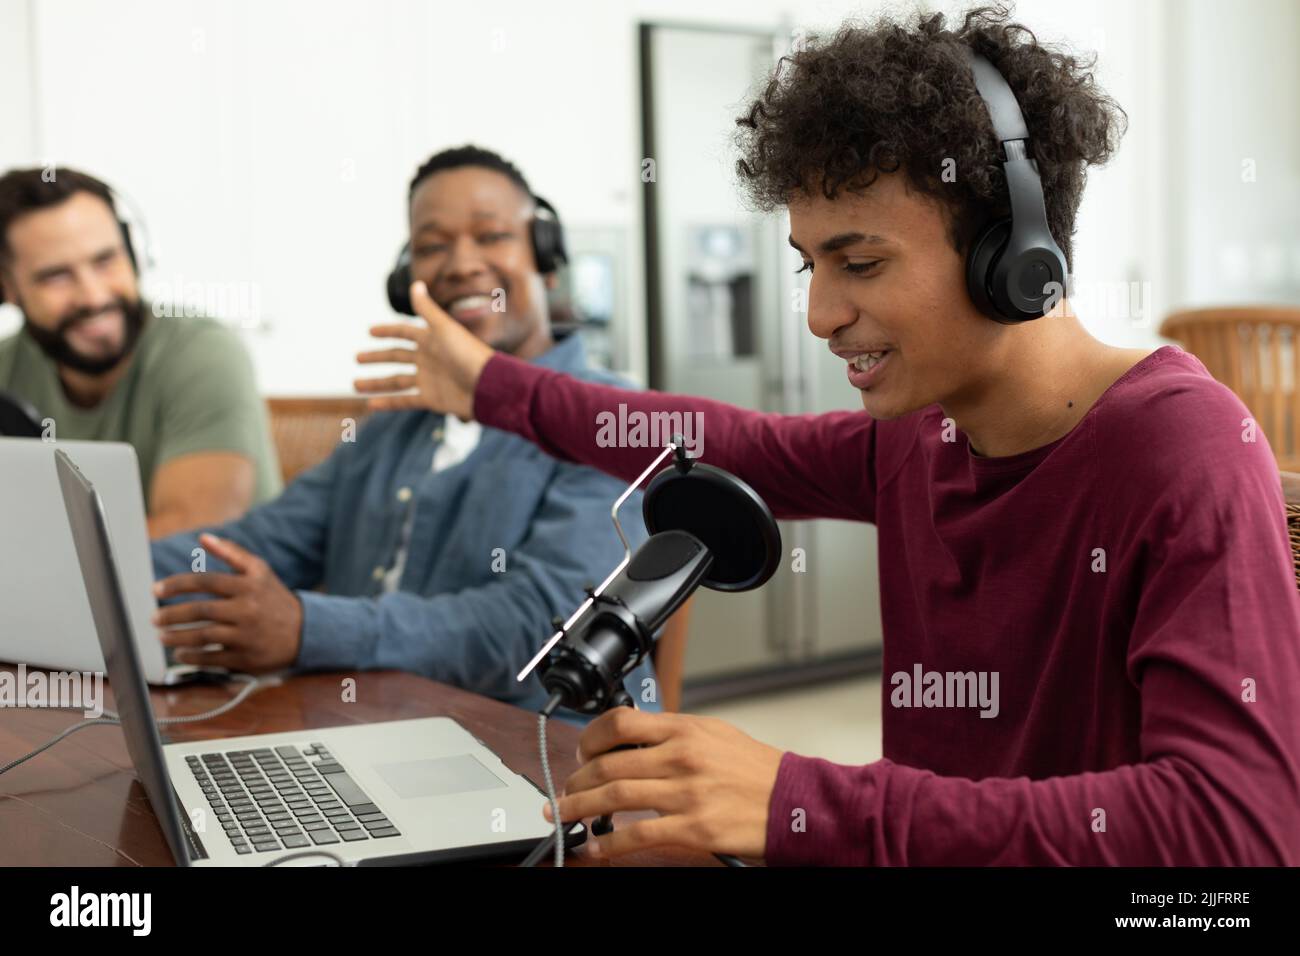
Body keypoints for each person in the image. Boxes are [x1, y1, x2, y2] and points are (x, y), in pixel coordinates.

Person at [353, 10, 1300, 864]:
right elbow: (710, 437)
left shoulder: (1182, 448)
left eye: (860, 262)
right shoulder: (922, 439)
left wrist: (796, 807)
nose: (819, 314)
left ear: (1014, 255)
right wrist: (490, 385)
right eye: (810, 263)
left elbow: (1233, 827)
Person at [152, 146, 658, 720]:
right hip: (368, 730)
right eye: (432, 245)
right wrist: (100, 566)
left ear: (545, 258)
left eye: (491, 236)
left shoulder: (608, 421)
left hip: (538, 756)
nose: (462, 264)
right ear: (406, 279)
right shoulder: (390, 427)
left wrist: (308, 629)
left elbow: (539, 627)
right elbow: (259, 544)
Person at [0, 167, 281, 536]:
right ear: (7, 288)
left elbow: (194, 539)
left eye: (105, 261)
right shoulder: (7, 366)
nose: (94, 296)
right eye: (56, 276)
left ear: (134, 254)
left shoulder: (204, 354)